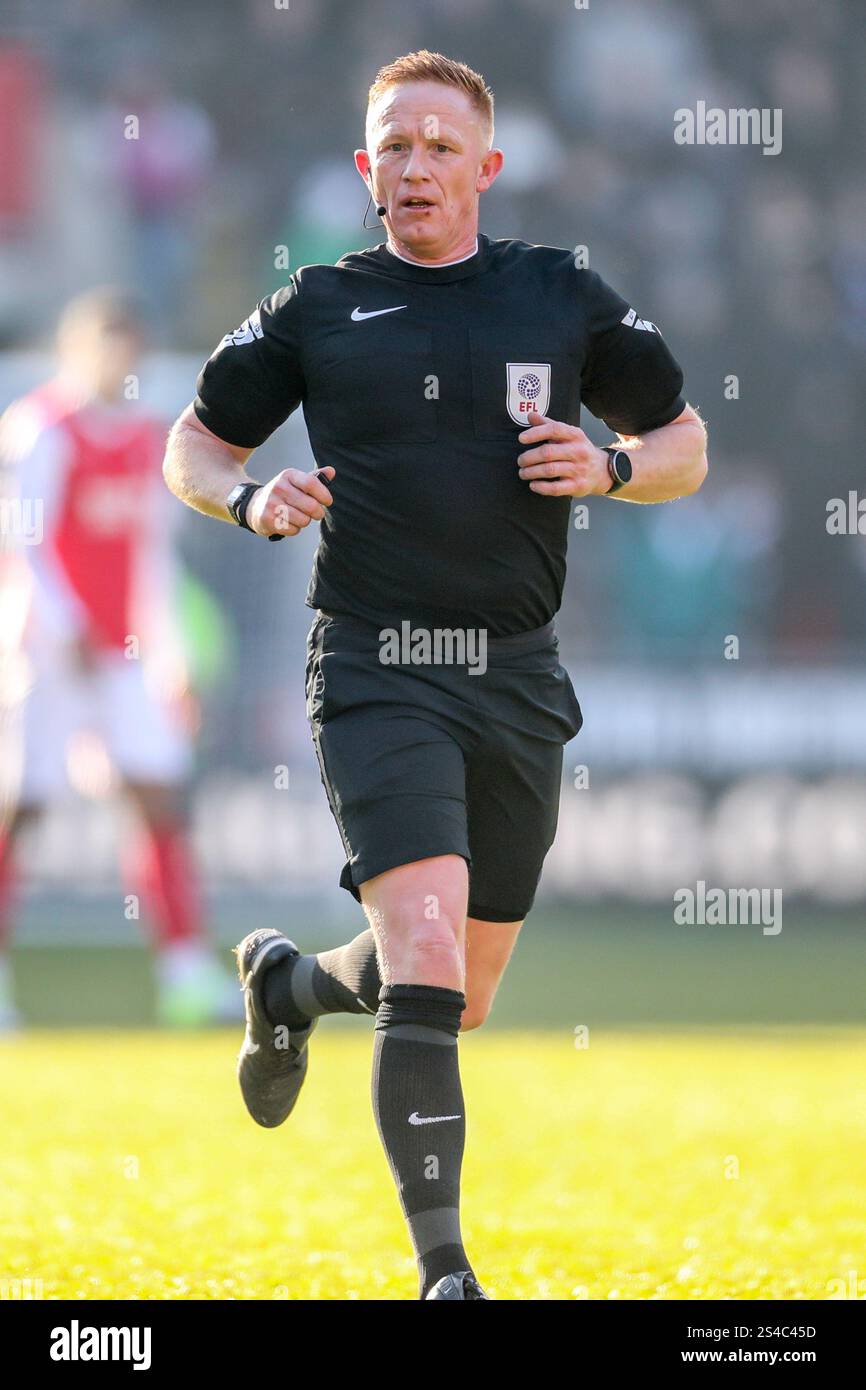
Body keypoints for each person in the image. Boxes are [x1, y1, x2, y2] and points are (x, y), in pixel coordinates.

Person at [162, 50, 708, 1300]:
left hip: (515, 675)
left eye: (437, 148)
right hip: (373, 663)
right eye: (391, 148)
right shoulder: (314, 304)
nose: (412, 167)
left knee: (453, 993)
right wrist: (247, 502)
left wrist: (614, 468)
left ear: (486, 169)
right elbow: (191, 443)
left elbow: (680, 439)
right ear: (364, 168)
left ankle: (289, 983)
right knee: (422, 948)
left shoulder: (558, 294)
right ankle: (445, 1274)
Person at [0, 288, 237, 1028]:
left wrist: (167, 657)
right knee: (21, 809)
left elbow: (151, 558)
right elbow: (25, 542)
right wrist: (60, 624)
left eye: (127, 342)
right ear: (77, 349)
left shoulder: (144, 439)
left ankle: (186, 975)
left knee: (160, 798)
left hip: (124, 654)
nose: (118, 356)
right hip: (47, 652)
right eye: (106, 341)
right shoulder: (40, 428)